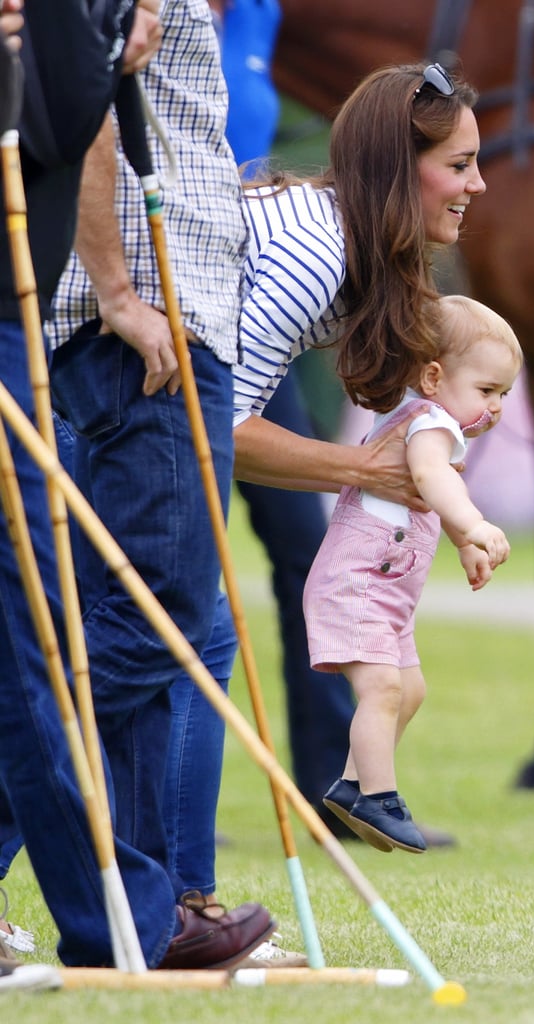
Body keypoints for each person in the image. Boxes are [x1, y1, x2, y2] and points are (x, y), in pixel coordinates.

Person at [0, 0, 273, 970]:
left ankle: (152, 903)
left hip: (167, 300)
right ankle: (127, 893)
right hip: (148, 312)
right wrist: (117, 289)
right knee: (160, 608)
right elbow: (87, 105)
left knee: (155, 619)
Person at [229, 60, 489, 841]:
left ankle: (181, 897)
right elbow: (210, 425)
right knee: (159, 642)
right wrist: (359, 469)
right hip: (79, 404)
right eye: (459, 166)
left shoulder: (359, 250)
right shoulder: (317, 257)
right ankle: (169, 902)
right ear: (395, 172)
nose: (477, 186)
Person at [207, 0, 359, 833]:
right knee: (184, 566)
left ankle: (333, 791)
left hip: (258, 306)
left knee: (305, 547)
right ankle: (154, 798)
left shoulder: (260, 13)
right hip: (176, 307)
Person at [305, 294, 523, 852]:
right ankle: (376, 794)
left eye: (504, 395)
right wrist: (474, 524)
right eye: (486, 390)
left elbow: (429, 495)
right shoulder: (429, 423)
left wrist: (461, 543)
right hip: (360, 584)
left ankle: (353, 785)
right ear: (432, 376)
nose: (496, 408)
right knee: (382, 686)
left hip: (387, 593)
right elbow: (432, 478)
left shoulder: (425, 421)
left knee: (411, 690)